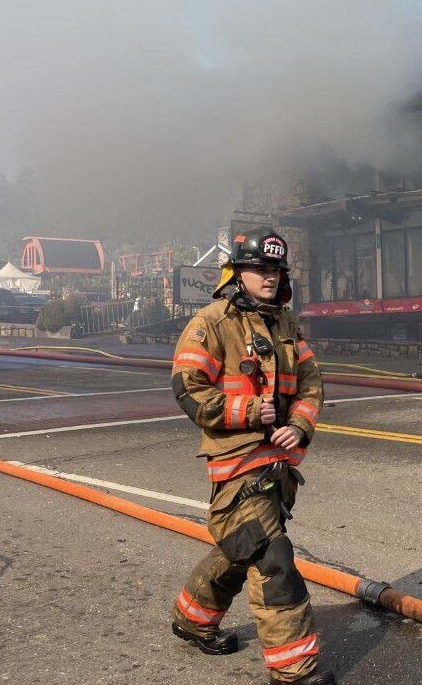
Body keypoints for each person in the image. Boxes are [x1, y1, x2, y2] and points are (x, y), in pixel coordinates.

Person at [168, 227, 333, 685]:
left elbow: (311, 383)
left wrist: (298, 425)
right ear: (238, 272)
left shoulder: (286, 324)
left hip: (277, 465)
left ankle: (193, 618)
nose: (269, 276)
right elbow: (187, 388)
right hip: (237, 463)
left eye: (276, 269)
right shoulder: (211, 322)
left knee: (241, 547)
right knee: (271, 557)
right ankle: (294, 670)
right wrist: (245, 410)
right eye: (260, 268)